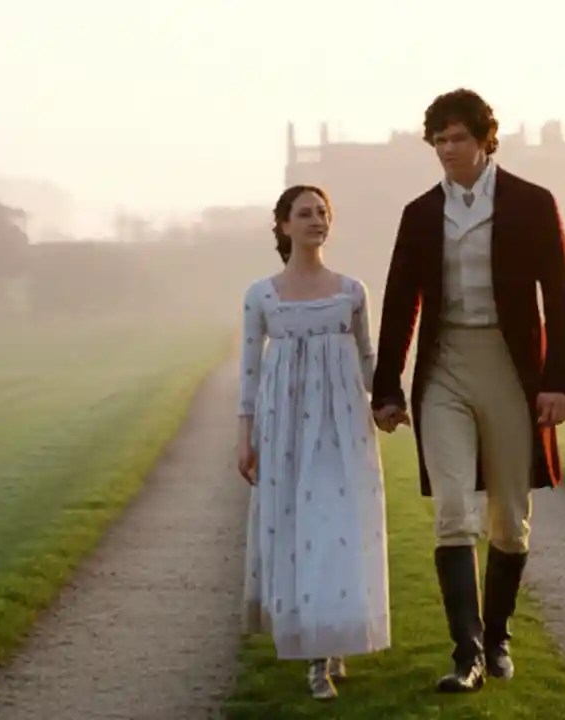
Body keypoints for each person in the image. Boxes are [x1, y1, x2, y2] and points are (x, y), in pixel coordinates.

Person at [371, 88, 565, 693]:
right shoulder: (419, 214)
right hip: (446, 369)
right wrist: (387, 387)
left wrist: (558, 382)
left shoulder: (532, 204)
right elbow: (399, 302)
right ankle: (467, 656)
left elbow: (560, 296)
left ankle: (498, 634)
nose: (447, 148)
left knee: (509, 520)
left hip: (512, 370)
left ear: (486, 140)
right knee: (453, 513)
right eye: (438, 139)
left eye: (458, 137)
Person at [237, 184, 390, 701]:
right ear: (283, 225)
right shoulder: (261, 296)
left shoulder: (352, 292)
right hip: (284, 431)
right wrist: (246, 437)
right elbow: (250, 372)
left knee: (336, 529)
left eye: (323, 212)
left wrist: (390, 402)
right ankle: (314, 651)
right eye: (304, 213)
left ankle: (330, 644)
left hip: (343, 428)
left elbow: (369, 360)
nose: (316, 220)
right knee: (300, 532)